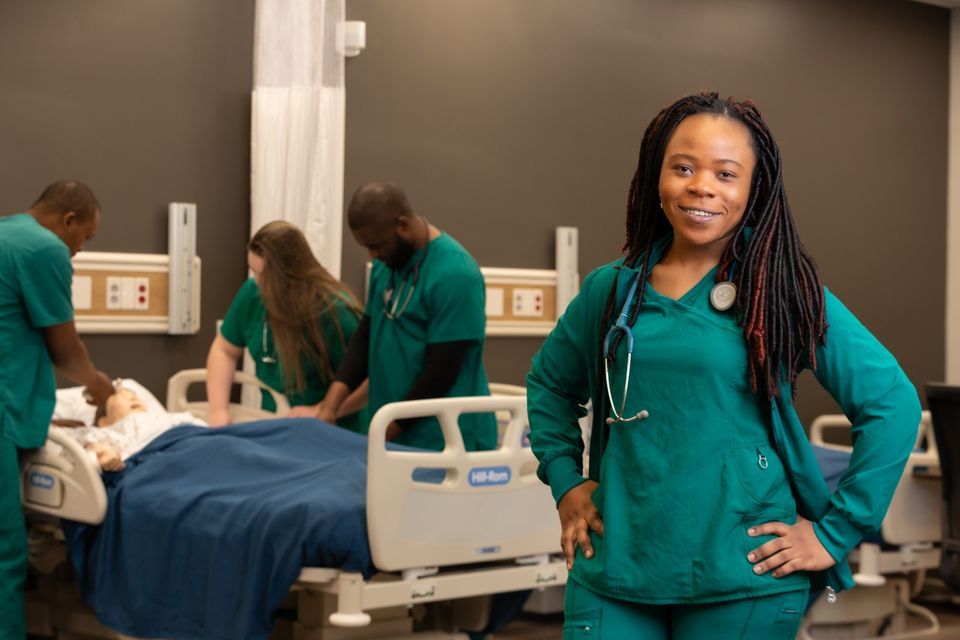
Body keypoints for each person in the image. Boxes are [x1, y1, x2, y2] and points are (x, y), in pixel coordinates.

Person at [526, 93, 921, 639]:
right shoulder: (611, 290)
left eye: (726, 173)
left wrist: (834, 533)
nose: (701, 186)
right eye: (683, 167)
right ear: (655, 176)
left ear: (753, 188)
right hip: (614, 566)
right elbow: (549, 383)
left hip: (744, 573)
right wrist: (567, 482)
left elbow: (892, 403)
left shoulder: (781, 292)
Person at [0, 180, 114, 640]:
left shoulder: (6, 234)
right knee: (6, 552)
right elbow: (65, 351)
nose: (79, 251)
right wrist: (102, 388)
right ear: (68, 221)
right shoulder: (44, 249)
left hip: (16, 409)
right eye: (84, 238)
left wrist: (41, 410)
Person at [318, 182, 496, 452]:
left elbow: (441, 372)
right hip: (394, 432)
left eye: (377, 245)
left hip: (448, 439)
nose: (372, 255)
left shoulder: (456, 274)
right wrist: (329, 407)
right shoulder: (386, 267)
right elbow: (366, 337)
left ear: (402, 225)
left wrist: (384, 432)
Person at [205, 221, 367, 432]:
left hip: (333, 433)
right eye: (254, 272)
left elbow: (368, 381)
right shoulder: (252, 295)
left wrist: (322, 410)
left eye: (263, 276)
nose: (257, 283)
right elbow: (224, 350)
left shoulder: (335, 312)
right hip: (275, 425)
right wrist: (218, 412)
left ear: (289, 276)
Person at [57, 386, 205, 472]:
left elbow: (204, 432)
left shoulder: (173, 418)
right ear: (104, 421)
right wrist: (99, 453)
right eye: (121, 397)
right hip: (162, 463)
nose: (134, 398)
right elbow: (80, 450)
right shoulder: (104, 434)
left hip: (196, 445)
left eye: (135, 396)